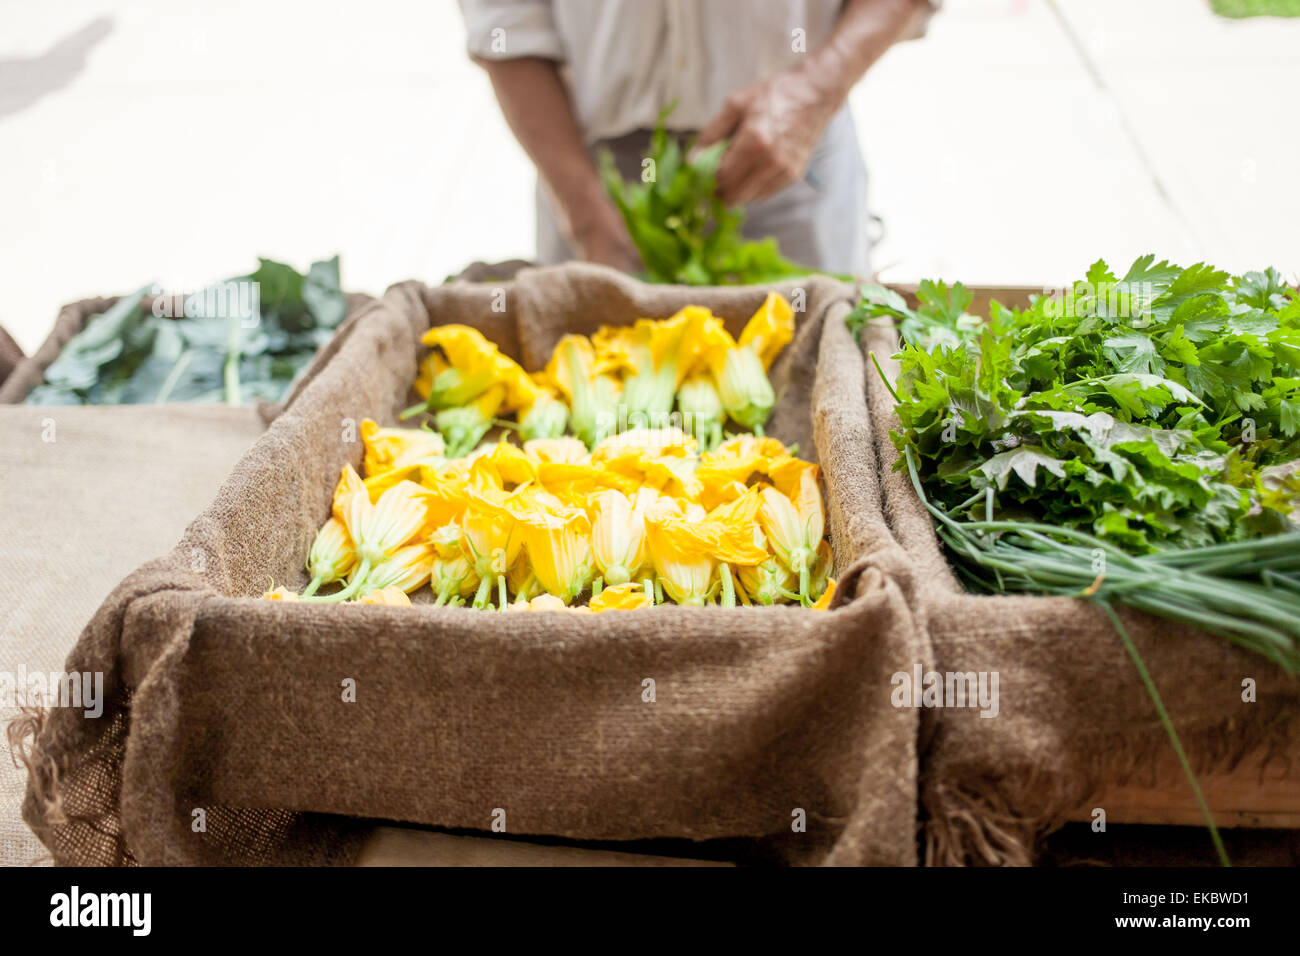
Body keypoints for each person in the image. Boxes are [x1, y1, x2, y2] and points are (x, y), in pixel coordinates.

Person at [459, 0, 937, 278]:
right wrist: (581, 208)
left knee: (815, 374)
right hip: (590, 171)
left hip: (789, 150)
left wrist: (812, 94)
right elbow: (502, 18)